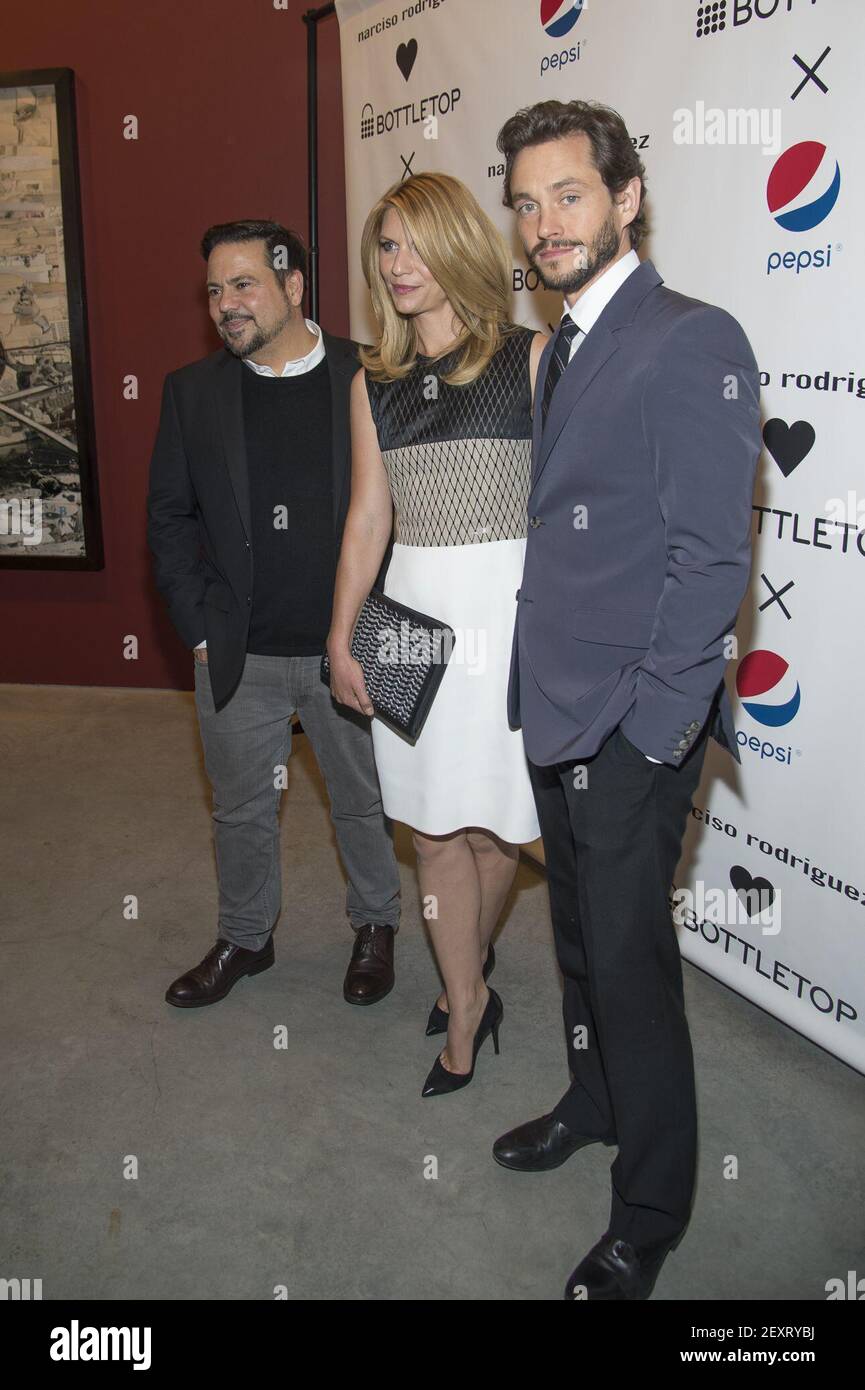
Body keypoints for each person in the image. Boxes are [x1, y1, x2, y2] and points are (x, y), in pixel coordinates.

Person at [494, 100, 762, 1299]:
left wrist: (652, 736)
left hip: (630, 723)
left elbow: (711, 562)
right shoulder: (554, 346)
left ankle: (649, 1209)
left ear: (626, 198)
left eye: (568, 195)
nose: (544, 223)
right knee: (579, 946)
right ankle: (592, 1102)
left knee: (634, 968)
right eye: (525, 200)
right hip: (554, 696)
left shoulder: (690, 338)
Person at [327, 173, 547, 1096]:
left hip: (508, 622)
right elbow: (368, 520)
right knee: (431, 836)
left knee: (497, 838)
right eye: (386, 245)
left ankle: (473, 969)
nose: (399, 264)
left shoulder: (531, 361)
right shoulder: (371, 382)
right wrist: (341, 637)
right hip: (410, 627)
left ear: (457, 244)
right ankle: (464, 1005)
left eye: (416, 242)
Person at [147, 220, 401, 1011]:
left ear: (294, 287)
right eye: (215, 290)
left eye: (244, 284)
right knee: (241, 806)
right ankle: (246, 938)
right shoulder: (193, 391)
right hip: (237, 651)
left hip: (347, 648)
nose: (226, 305)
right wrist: (197, 627)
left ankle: (376, 924)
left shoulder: (371, 374)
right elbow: (169, 517)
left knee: (361, 800)